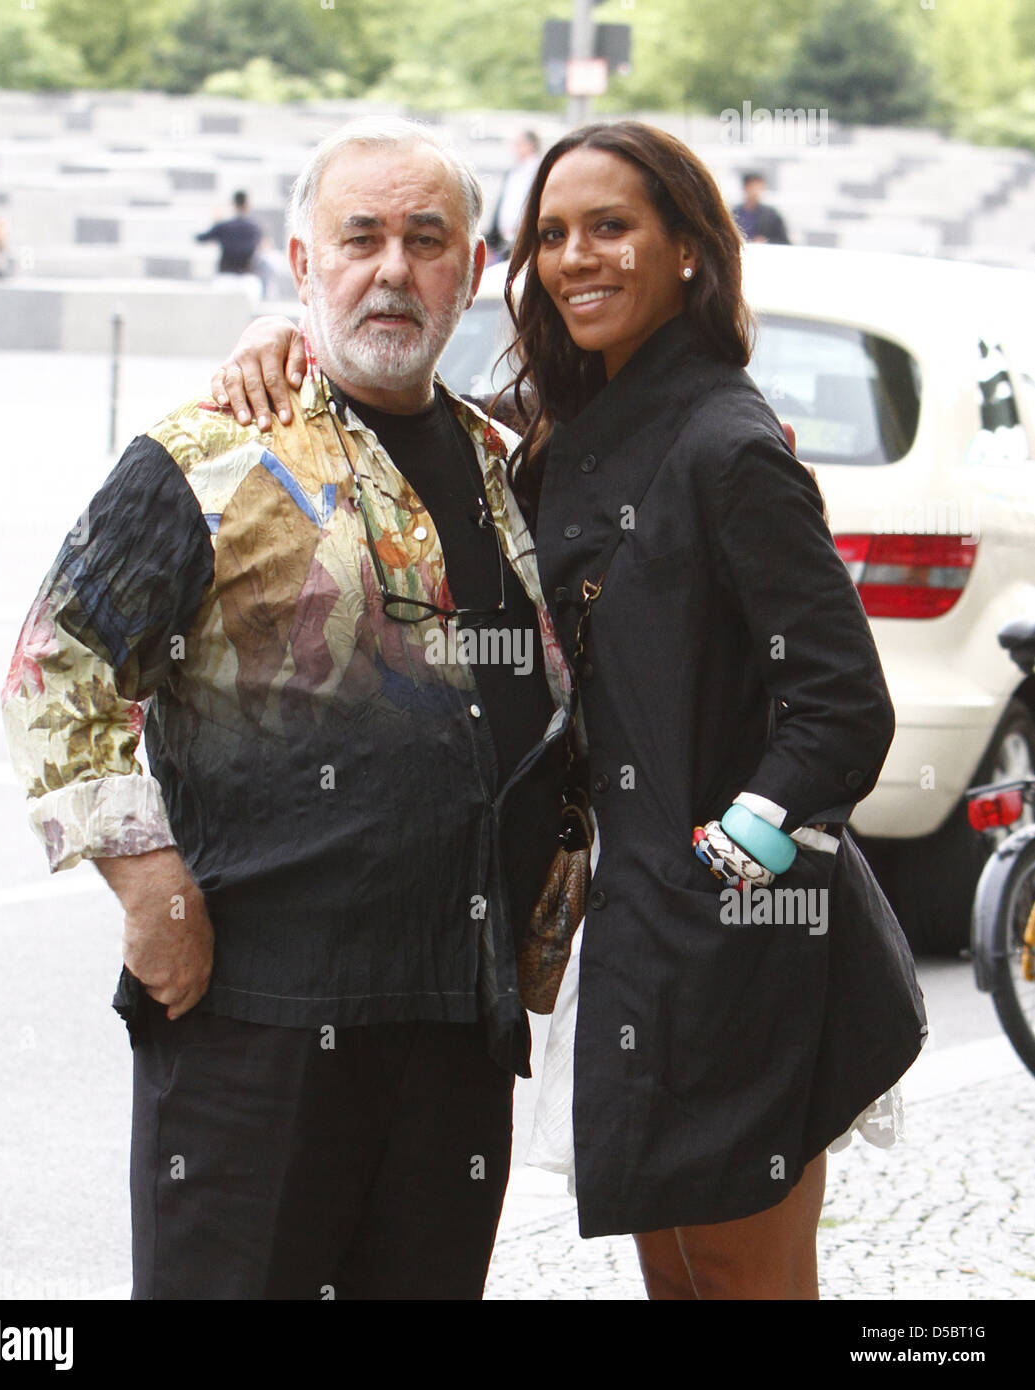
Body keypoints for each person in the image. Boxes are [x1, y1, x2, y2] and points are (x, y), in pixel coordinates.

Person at [212, 121, 926, 1301]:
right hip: (647, 943)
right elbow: (410, 400)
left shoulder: (730, 443)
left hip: (742, 940)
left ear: (690, 250)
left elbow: (842, 705)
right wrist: (279, 332)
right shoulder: (563, 425)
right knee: (681, 1282)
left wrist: (727, 858)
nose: (575, 257)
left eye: (611, 227)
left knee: (743, 1280)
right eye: (551, 234)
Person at [1, 117, 575, 1300]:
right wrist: (148, 884)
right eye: (358, 237)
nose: (392, 268)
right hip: (255, 1026)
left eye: (427, 241)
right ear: (304, 264)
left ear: (472, 275)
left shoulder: (511, 466)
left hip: (457, 1023)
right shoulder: (211, 451)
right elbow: (57, 665)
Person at [484, 130, 543, 263]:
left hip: (527, 240)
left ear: (530, 145)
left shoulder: (539, 171)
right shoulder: (514, 171)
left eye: (518, 143)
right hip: (505, 241)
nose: (514, 148)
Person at [196, 189, 263, 277]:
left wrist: (215, 222)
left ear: (234, 204)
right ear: (247, 205)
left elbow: (200, 238)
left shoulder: (223, 226)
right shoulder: (255, 227)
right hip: (247, 277)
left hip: (226, 276)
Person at [733, 171, 790, 245]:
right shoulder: (734, 213)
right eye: (752, 187)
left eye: (759, 188)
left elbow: (784, 241)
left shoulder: (772, 215)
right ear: (745, 188)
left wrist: (767, 241)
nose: (755, 192)